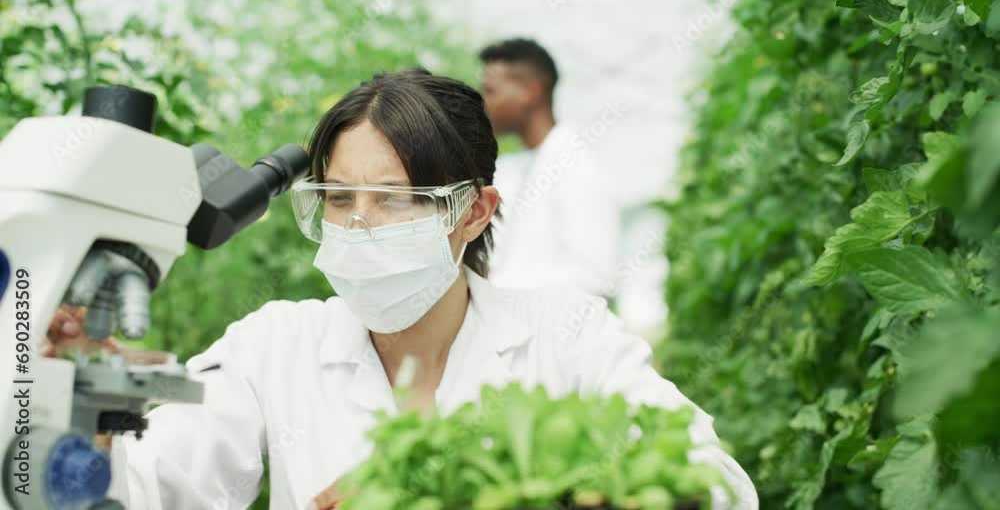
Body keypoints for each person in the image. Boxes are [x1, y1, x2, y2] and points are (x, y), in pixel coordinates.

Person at [45, 70, 757, 509]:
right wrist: (83, 411)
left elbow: (717, 484)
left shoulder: (565, 333)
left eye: (394, 199)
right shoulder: (276, 345)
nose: (358, 224)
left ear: (474, 212)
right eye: (338, 198)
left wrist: (473, 491)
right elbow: (146, 491)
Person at [479, 38, 620, 298]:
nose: (483, 104)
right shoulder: (511, 169)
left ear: (530, 92)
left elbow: (595, 277)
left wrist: (494, 288)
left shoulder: (578, 168)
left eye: (491, 91)